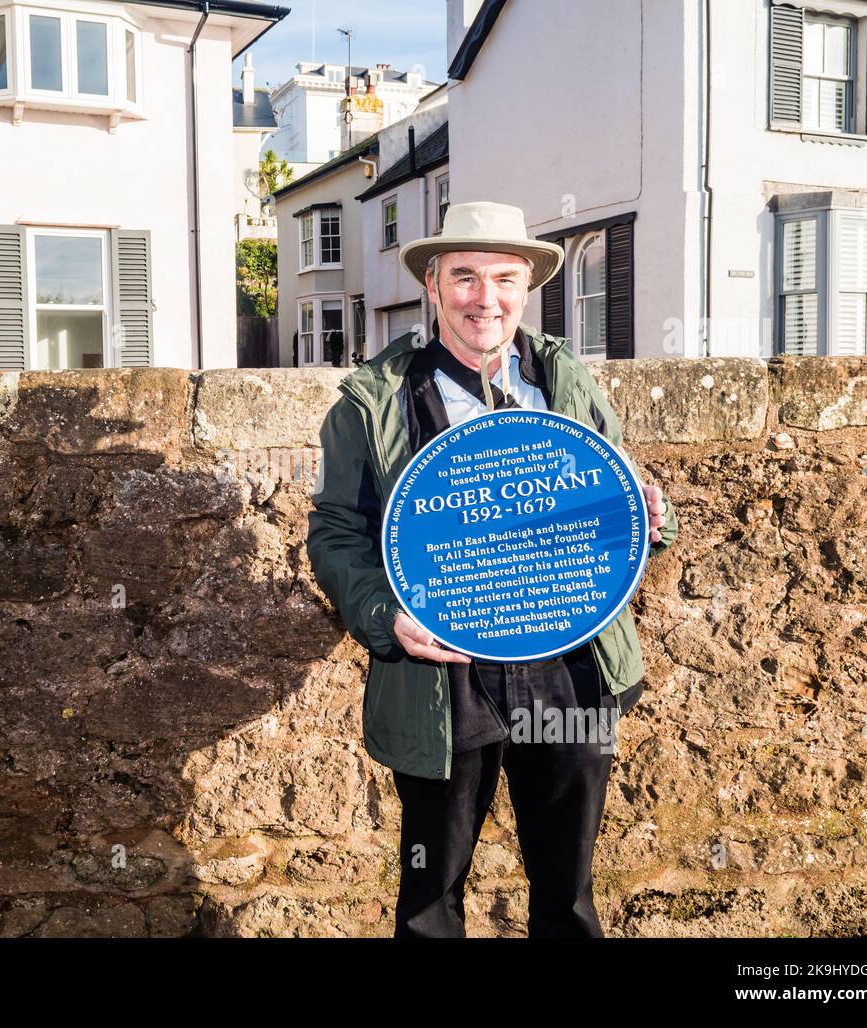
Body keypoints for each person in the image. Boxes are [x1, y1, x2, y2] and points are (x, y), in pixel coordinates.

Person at [305, 201, 680, 937]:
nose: (486, 298)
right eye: (465, 277)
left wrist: (646, 519)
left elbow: (615, 508)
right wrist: (386, 617)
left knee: (568, 895)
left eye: (505, 278)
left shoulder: (564, 380)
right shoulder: (376, 399)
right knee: (430, 902)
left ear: (527, 287)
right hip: (445, 679)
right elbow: (337, 533)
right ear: (434, 286)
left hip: (567, 665)